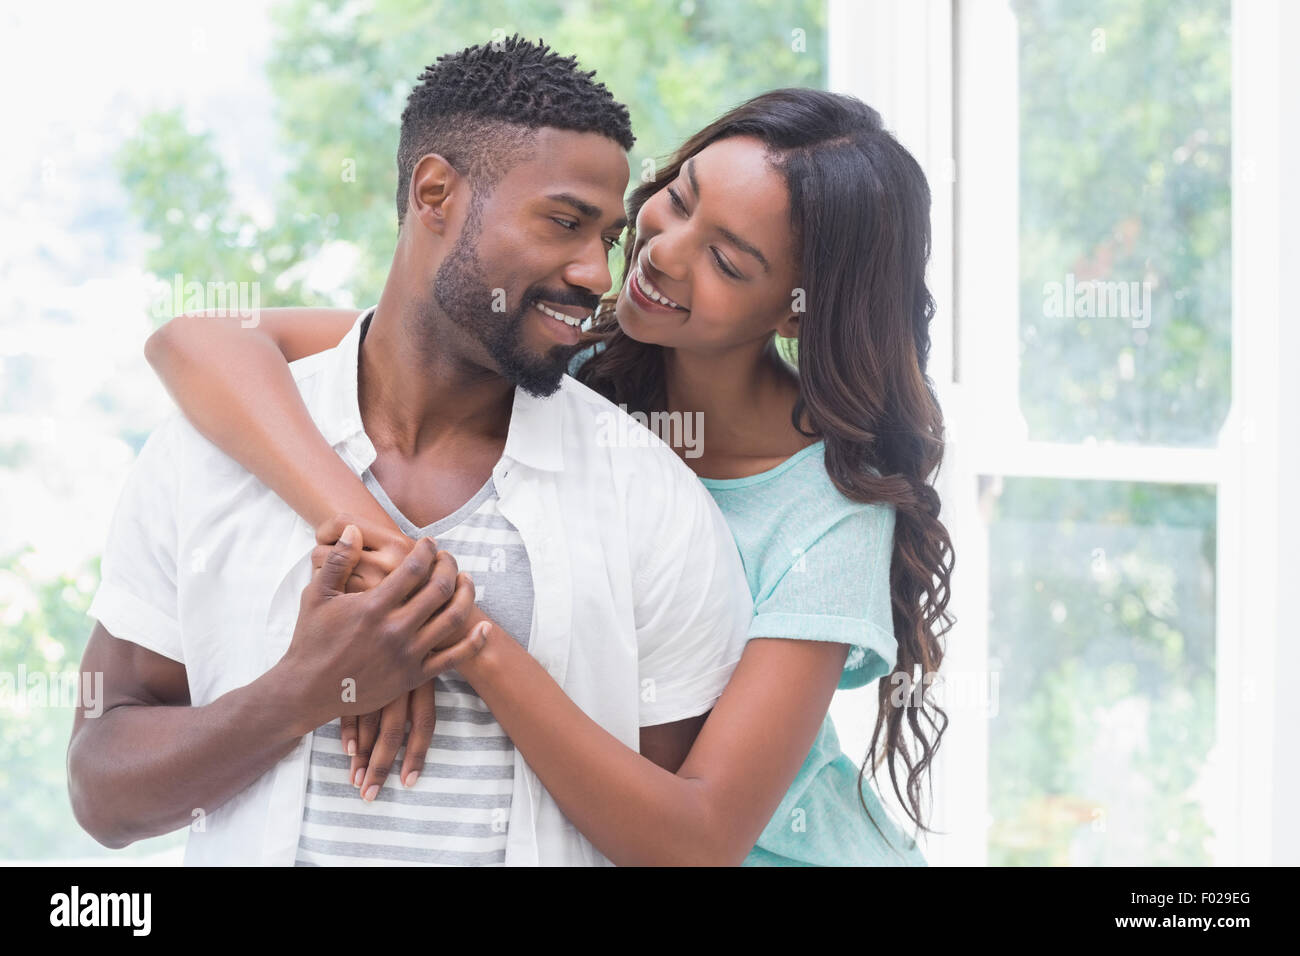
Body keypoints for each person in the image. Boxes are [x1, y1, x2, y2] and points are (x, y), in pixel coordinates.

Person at [139, 69, 956, 865]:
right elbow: (199, 342)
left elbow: (702, 836)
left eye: (729, 263)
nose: (663, 252)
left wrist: (450, 629)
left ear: (797, 308)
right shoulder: (551, 343)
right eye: (678, 198)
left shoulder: (829, 513)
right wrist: (390, 562)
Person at [67, 36, 755, 867]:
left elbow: (675, 845)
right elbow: (102, 796)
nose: (596, 275)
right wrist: (304, 692)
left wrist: (454, 633)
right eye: (565, 222)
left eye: (606, 238)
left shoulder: (649, 497)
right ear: (436, 194)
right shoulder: (207, 454)